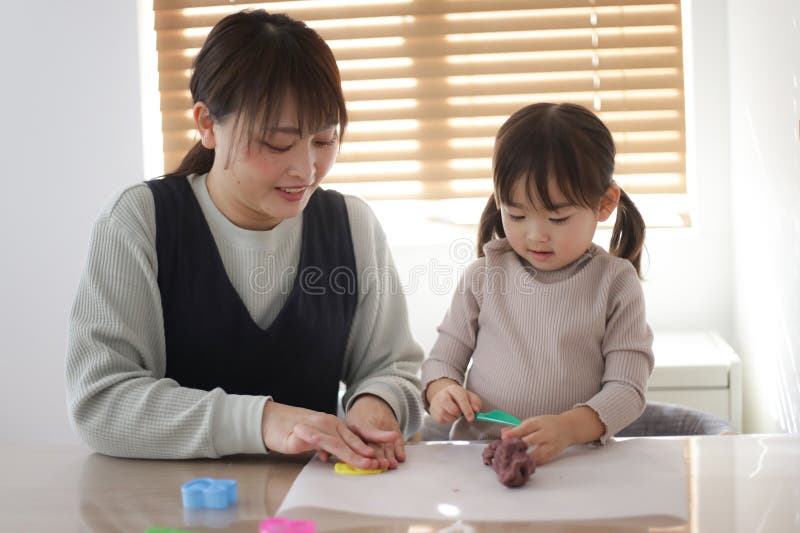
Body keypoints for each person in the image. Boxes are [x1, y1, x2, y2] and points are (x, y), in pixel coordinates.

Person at [66, 10, 423, 470]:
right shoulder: (140, 222)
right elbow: (101, 402)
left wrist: (379, 403)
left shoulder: (351, 225)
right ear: (208, 124)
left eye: (324, 140)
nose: (306, 170)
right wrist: (262, 421)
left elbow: (393, 370)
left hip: (309, 505)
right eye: (278, 144)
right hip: (175, 507)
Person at [421, 102, 654, 465]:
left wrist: (568, 429)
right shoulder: (484, 277)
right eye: (516, 214)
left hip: (576, 462)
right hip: (478, 462)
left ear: (605, 203)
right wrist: (443, 391)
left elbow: (627, 390)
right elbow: (440, 363)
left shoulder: (615, 284)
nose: (536, 235)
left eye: (558, 218)